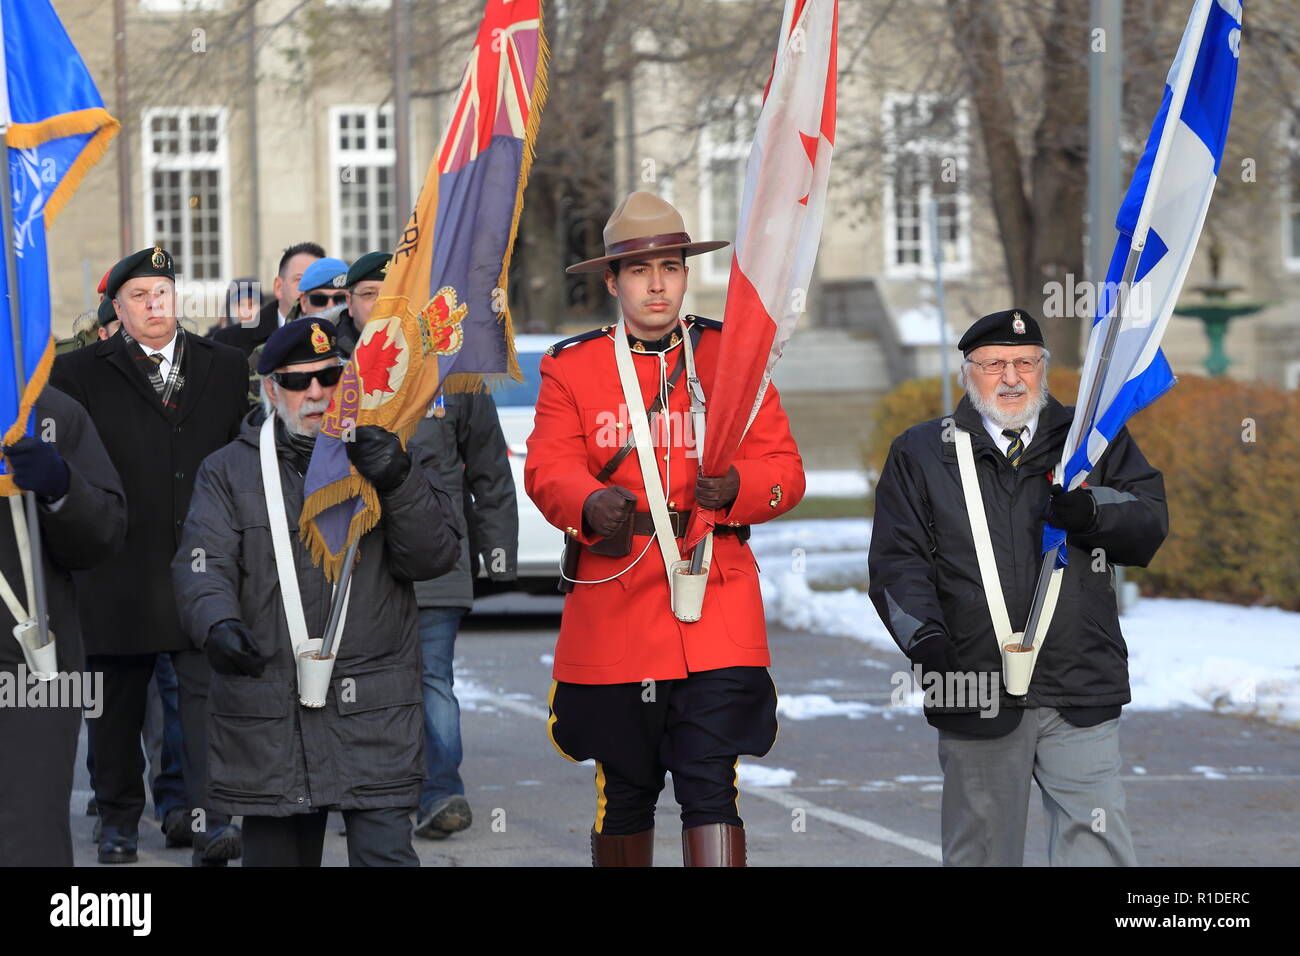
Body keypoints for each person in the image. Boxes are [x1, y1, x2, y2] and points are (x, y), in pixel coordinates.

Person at [525, 191, 805, 867]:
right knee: (626, 789)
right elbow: (547, 467)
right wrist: (589, 502)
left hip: (717, 600)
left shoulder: (731, 356)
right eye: (641, 269)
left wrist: (738, 486)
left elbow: (786, 472)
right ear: (613, 281)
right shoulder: (572, 366)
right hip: (617, 602)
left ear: (685, 275)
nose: (658, 283)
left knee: (712, 783)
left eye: (672, 267)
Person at [867, 308, 1169, 866]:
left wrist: (1092, 511)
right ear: (967, 373)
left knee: (1097, 846)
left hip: (1080, 678)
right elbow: (896, 563)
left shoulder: (1090, 441)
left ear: (1043, 370)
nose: (1011, 377)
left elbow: (1150, 523)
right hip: (971, 681)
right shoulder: (920, 451)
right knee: (981, 851)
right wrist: (928, 644)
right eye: (995, 364)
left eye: (1026, 363)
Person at [172, 318, 462, 867]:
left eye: (330, 376)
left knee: (385, 860)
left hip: (373, 708)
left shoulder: (391, 451)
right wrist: (216, 623)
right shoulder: (229, 470)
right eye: (298, 381)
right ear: (271, 389)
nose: (316, 394)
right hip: (271, 706)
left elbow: (435, 556)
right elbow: (201, 561)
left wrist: (398, 481)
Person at [50, 246, 250, 865]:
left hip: (201, 563)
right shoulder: (80, 373)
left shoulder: (225, 365)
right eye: (139, 295)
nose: (153, 304)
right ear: (118, 305)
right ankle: (116, 822)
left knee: (205, 702)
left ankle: (211, 817)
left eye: (162, 291)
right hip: (117, 565)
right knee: (114, 709)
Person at [0, 386, 126, 865]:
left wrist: (61, 488)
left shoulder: (52, 413)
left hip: (31, 667)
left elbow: (106, 532)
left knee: (25, 836)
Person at [213, 242, 325, 358]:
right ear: (278, 287)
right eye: (300, 280)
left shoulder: (339, 335)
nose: (309, 289)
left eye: (319, 282)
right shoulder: (230, 341)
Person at [334, 251, 387, 358]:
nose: (380, 303)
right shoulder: (330, 353)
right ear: (349, 302)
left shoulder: (424, 351)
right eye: (369, 293)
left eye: (390, 294)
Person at [287, 257, 350, 323]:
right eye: (319, 299)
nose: (330, 307)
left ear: (351, 301)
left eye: (340, 299)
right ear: (303, 302)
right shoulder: (287, 333)